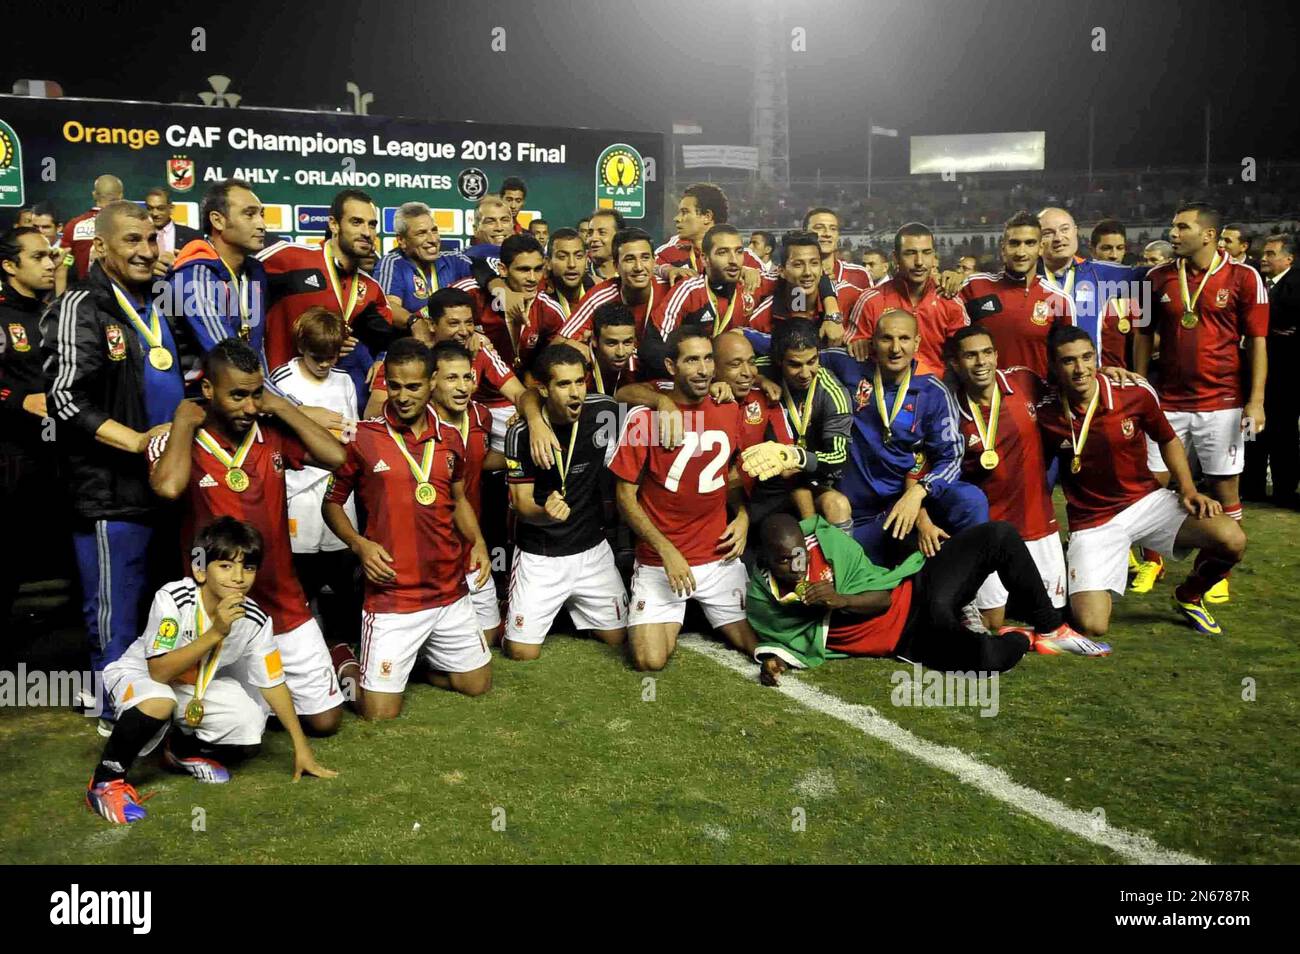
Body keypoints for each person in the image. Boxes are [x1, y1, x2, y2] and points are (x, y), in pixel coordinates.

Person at [148, 338, 348, 734]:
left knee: (325, 721)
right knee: (217, 719)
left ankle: (267, 694)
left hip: (282, 595)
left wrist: (283, 406)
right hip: (213, 607)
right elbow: (169, 488)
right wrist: (184, 423)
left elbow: (336, 457)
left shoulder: (270, 431)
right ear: (208, 391)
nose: (250, 406)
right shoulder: (177, 437)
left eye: (257, 394)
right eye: (237, 395)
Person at [85, 518, 336, 825]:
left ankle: (179, 749)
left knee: (248, 726)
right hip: (142, 676)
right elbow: (159, 671)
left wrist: (302, 748)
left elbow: (274, 683)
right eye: (226, 566)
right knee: (159, 701)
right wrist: (216, 631)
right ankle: (106, 781)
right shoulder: (174, 599)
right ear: (201, 570)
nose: (239, 578)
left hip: (192, 686)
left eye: (248, 568)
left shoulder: (256, 619)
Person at [42, 200, 184, 726]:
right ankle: (112, 713)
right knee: (114, 612)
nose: (146, 251)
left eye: (151, 240)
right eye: (131, 241)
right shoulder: (83, 304)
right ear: (99, 245)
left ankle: (151, 706)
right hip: (110, 491)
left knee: (161, 606)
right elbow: (66, 399)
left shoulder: (153, 303)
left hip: (165, 486)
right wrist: (140, 442)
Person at [1036, 326, 1246, 638]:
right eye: (1069, 362)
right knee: (1093, 625)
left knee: (1232, 539)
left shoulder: (1133, 391)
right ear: (1054, 366)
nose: (1081, 369)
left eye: (1087, 358)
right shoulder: (1043, 410)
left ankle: (1188, 595)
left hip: (1147, 502)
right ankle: (1075, 570)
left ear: (1097, 357)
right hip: (1093, 521)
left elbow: (1167, 438)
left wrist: (1187, 488)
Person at [323, 338, 494, 715]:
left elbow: (459, 498)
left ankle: (410, 666)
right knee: (378, 712)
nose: (402, 396)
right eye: (394, 385)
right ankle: (341, 656)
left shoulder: (450, 438)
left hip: (448, 589)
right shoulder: (362, 437)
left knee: (477, 685)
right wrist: (359, 544)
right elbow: (331, 503)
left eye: (413, 386)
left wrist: (478, 541)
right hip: (392, 594)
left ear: (431, 382)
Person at [750, 515, 1095, 686]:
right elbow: (782, 643)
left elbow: (882, 599)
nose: (797, 565)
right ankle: (1019, 637)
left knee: (999, 535)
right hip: (913, 636)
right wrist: (772, 664)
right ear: (764, 560)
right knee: (987, 659)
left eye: (799, 555)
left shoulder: (826, 545)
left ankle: (1050, 628)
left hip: (917, 587)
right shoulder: (764, 599)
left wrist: (839, 599)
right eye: (784, 560)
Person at [1133, 203, 1268, 604]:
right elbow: (1143, 332)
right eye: (1173, 226)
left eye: (1181, 227)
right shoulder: (1155, 277)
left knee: (1226, 491)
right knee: (1149, 485)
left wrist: (1255, 400)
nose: (1173, 233)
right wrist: (1141, 382)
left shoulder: (1245, 277)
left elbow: (1258, 340)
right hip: (1168, 401)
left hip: (1222, 402)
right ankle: (1152, 563)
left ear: (1207, 234)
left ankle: (1214, 571)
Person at [609, 326, 759, 670]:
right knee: (650, 661)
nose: (704, 370)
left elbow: (731, 473)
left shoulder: (729, 407)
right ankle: (682, 613)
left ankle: (708, 613)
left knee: (763, 645)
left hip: (718, 556)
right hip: (663, 560)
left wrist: (743, 517)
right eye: (692, 360)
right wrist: (666, 551)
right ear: (671, 366)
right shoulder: (645, 419)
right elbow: (625, 498)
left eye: (708, 359)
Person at [820, 310, 987, 567]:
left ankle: (967, 586)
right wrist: (763, 377)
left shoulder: (933, 392)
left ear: (917, 343)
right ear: (872, 341)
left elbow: (952, 457)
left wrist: (920, 493)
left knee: (970, 500)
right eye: (887, 339)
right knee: (857, 577)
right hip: (858, 511)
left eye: (904, 339)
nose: (896, 348)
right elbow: (792, 352)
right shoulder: (848, 365)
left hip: (906, 500)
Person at [944, 326, 1078, 643]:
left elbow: (1072, 385)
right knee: (992, 621)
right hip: (992, 531)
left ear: (996, 355)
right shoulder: (948, 409)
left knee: (1055, 612)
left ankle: (1025, 602)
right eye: (970, 355)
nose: (981, 362)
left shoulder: (1024, 381)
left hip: (1037, 524)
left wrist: (1108, 374)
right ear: (955, 363)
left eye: (987, 353)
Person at [503, 344, 628, 659]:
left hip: (591, 550)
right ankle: (521, 600)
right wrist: (545, 514)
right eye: (563, 384)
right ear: (544, 389)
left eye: (580, 382)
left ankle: (566, 609)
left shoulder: (601, 412)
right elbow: (521, 505)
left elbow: (635, 397)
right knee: (521, 652)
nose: (575, 393)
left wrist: (664, 402)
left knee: (619, 638)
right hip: (541, 555)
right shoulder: (520, 434)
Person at [267, 308, 362, 660]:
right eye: (316, 357)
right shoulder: (283, 380)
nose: (324, 364)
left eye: (331, 356)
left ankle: (340, 643)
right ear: (300, 347)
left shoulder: (344, 381)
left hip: (338, 491)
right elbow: (277, 427)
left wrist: (337, 433)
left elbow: (353, 430)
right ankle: (298, 641)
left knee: (340, 569)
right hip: (298, 492)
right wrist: (317, 424)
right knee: (301, 570)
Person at [258, 188, 396, 402]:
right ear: (334, 224)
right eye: (356, 222)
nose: (367, 232)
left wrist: (382, 359)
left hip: (330, 397)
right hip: (277, 394)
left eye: (372, 224)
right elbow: (233, 276)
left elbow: (386, 339)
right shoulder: (290, 258)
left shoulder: (370, 288)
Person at [0, 227, 62, 633]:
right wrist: (18, 399)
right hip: (11, 453)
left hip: (57, 451)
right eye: (38, 257)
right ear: (9, 265)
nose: (50, 263)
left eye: (51, 255)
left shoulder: (56, 312)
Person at [426, 338, 504, 648]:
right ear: (432, 382)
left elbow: (479, 461)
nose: (462, 387)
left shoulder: (481, 416)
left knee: (486, 639)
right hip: (431, 552)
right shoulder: (417, 425)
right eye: (451, 378)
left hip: (471, 544)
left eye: (467, 377)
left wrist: (521, 459)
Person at [166, 178, 273, 378]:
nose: (262, 224)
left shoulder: (254, 271)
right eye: (249, 214)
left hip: (245, 394)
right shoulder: (195, 278)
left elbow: (256, 348)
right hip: (199, 399)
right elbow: (229, 360)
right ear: (218, 220)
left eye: (261, 215)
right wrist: (289, 407)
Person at [749, 319, 852, 523]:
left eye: (812, 361)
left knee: (838, 505)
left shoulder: (833, 393)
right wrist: (759, 380)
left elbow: (840, 457)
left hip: (811, 481)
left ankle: (839, 555)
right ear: (778, 360)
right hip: (765, 482)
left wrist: (796, 458)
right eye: (795, 364)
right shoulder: (761, 368)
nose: (805, 374)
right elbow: (728, 365)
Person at [958, 211, 1076, 379]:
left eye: (1029, 243)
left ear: (1041, 248)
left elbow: (1068, 359)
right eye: (1014, 243)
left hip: (1035, 400)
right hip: (982, 399)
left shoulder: (1059, 300)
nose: (1021, 252)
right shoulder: (973, 287)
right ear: (1003, 248)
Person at [846, 222, 968, 375]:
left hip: (936, 390)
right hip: (885, 392)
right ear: (895, 258)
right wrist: (857, 344)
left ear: (934, 256)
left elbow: (967, 350)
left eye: (926, 252)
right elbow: (853, 349)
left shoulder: (949, 299)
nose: (919, 262)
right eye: (910, 253)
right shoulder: (870, 301)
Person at [649, 224, 770, 373]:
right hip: (695, 380)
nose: (734, 260)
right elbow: (655, 348)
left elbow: (794, 276)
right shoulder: (689, 291)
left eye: (739, 252)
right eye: (722, 252)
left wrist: (748, 335)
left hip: (734, 377)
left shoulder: (754, 283)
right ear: (705, 259)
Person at [1037, 207, 1146, 358]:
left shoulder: (1100, 274)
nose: (1058, 238)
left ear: (1075, 231)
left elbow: (1157, 274)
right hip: (1041, 378)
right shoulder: (1026, 280)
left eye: (1064, 229)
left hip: (1088, 376)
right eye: (1048, 233)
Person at [1244, 234, 1299, 507]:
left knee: (1283, 435)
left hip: (1283, 378)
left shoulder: (1295, 285)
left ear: (1289, 258)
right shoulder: (1257, 283)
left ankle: (1284, 491)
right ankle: (1250, 486)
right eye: (1263, 254)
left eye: (1270, 254)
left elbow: (1279, 322)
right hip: (1249, 374)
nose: (1264, 259)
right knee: (1250, 432)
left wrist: (1269, 330)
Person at [560, 227, 671, 344]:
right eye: (629, 259)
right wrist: (585, 350)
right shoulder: (600, 296)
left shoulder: (671, 289)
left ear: (654, 262)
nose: (639, 267)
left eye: (645, 258)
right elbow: (560, 344)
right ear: (616, 266)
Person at [373, 201, 472, 326]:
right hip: (413, 342)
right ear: (402, 240)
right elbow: (389, 307)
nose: (433, 240)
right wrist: (416, 323)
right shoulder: (393, 264)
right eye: (421, 233)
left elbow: (484, 275)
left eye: (434, 230)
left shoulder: (454, 260)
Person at [747, 230, 847, 344]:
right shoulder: (762, 318)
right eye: (798, 265)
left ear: (821, 269)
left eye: (814, 263)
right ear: (781, 271)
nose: (807, 272)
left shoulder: (847, 297)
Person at [60, 174, 124, 281]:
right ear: (121, 196)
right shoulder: (126, 224)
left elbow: (64, 261)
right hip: (120, 292)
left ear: (94, 195)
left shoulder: (74, 225)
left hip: (84, 292)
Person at [804, 207, 872, 289]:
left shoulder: (859, 274)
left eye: (833, 229)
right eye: (819, 228)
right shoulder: (792, 277)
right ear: (805, 232)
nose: (827, 234)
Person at [144, 187, 201, 276]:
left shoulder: (192, 236)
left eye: (160, 208)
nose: (154, 213)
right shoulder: (140, 236)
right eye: (150, 208)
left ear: (171, 209)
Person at [545, 227, 593, 321]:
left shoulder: (599, 296)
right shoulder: (540, 302)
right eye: (562, 257)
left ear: (586, 259)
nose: (572, 264)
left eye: (578, 256)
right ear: (548, 262)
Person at [584, 208, 624, 283]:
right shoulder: (580, 278)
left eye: (602, 232)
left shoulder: (631, 276)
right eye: (590, 233)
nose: (593, 238)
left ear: (619, 237)